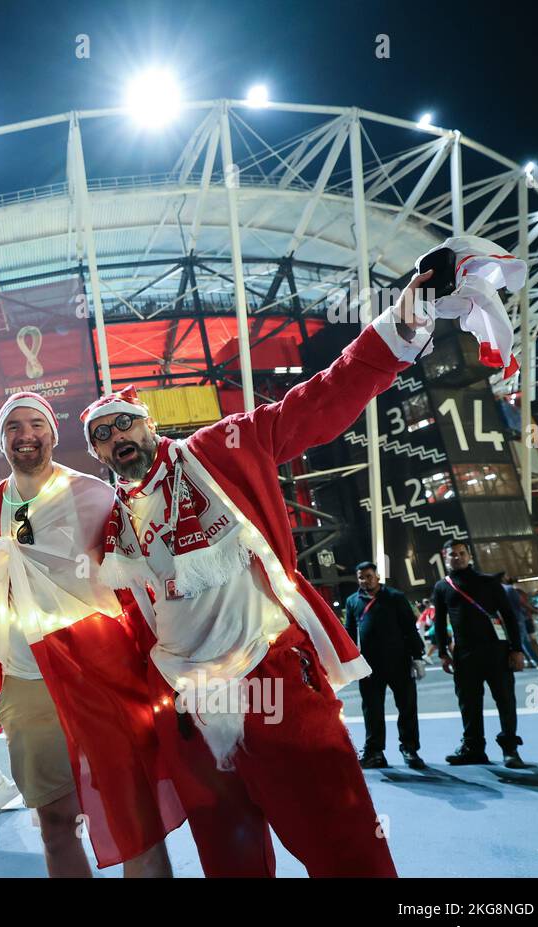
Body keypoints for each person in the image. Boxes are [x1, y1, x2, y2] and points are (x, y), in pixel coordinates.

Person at [82, 266, 441, 878]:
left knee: (343, 843)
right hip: (188, 709)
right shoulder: (110, 529)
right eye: (101, 434)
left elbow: (318, 403)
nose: (117, 437)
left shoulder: (220, 451)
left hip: (270, 682)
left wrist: (394, 331)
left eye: (124, 423)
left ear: (149, 424)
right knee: (231, 862)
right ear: (94, 452)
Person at [0, 392, 179, 878]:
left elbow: (140, 582)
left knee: (133, 816)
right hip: (27, 679)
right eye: (13, 427)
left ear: (54, 434)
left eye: (36, 424)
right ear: (1, 441)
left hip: (98, 673)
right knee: (55, 821)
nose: (26, 435)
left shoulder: (96, 496)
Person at [432, 539, 528, 768]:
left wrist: (516, 649)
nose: (458, 557)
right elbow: (438, 621)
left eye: (461, 553)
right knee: (468, 703)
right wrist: (443, 653)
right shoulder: (442, 587)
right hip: (464, 655)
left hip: (496, 651)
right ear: (445, 558)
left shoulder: (489, 582)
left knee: (505, 700)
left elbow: (509, 617)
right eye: (452, 554)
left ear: (469, 555)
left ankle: (510, 749)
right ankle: (473, 748)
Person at [344, 562, 426, 769]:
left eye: (369, 576)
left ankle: (410, 749)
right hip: (369, 667)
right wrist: (349, 662)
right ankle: (375, 752)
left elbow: (409, 628)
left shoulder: (395, 597)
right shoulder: (352, 601)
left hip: (399, 662)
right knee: (372, 710)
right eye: (361, 577)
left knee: (407, 707)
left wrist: (417, 656)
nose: (365, 580)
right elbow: (349, 634)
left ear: (377, 576)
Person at [504, 579, 538, 669]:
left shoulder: (501, 590)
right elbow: (524, 604)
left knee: (521, 642)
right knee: (525, 641)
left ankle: (530, 661)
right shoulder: (511, 590)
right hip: (520, 619)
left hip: (510, 620)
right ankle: (536, 661)